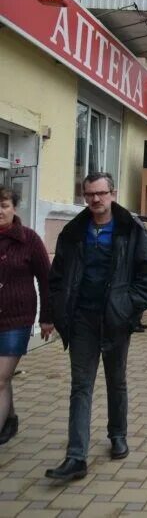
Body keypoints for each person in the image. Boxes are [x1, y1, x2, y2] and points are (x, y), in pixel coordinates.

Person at [46, 172, 147, 482]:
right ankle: (76, 456)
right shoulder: (73, 231)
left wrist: (128, 308)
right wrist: (57, 310)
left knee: (115, 379)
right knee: (80, 385)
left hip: (115, 319)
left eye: (101, 193)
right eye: (89, 194)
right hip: (81, 318)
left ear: (112, 193)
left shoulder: (131, 230)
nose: (95, 199)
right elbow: (57, 276)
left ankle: (117, 433)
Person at [0, 187, 54, 446]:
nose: (0, 211)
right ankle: (9, 419)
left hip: (17, 319)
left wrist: (47, 317)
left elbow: (47, 280)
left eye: (3, 205)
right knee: (3, 378)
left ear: (13, 208)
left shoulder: (29, 239)